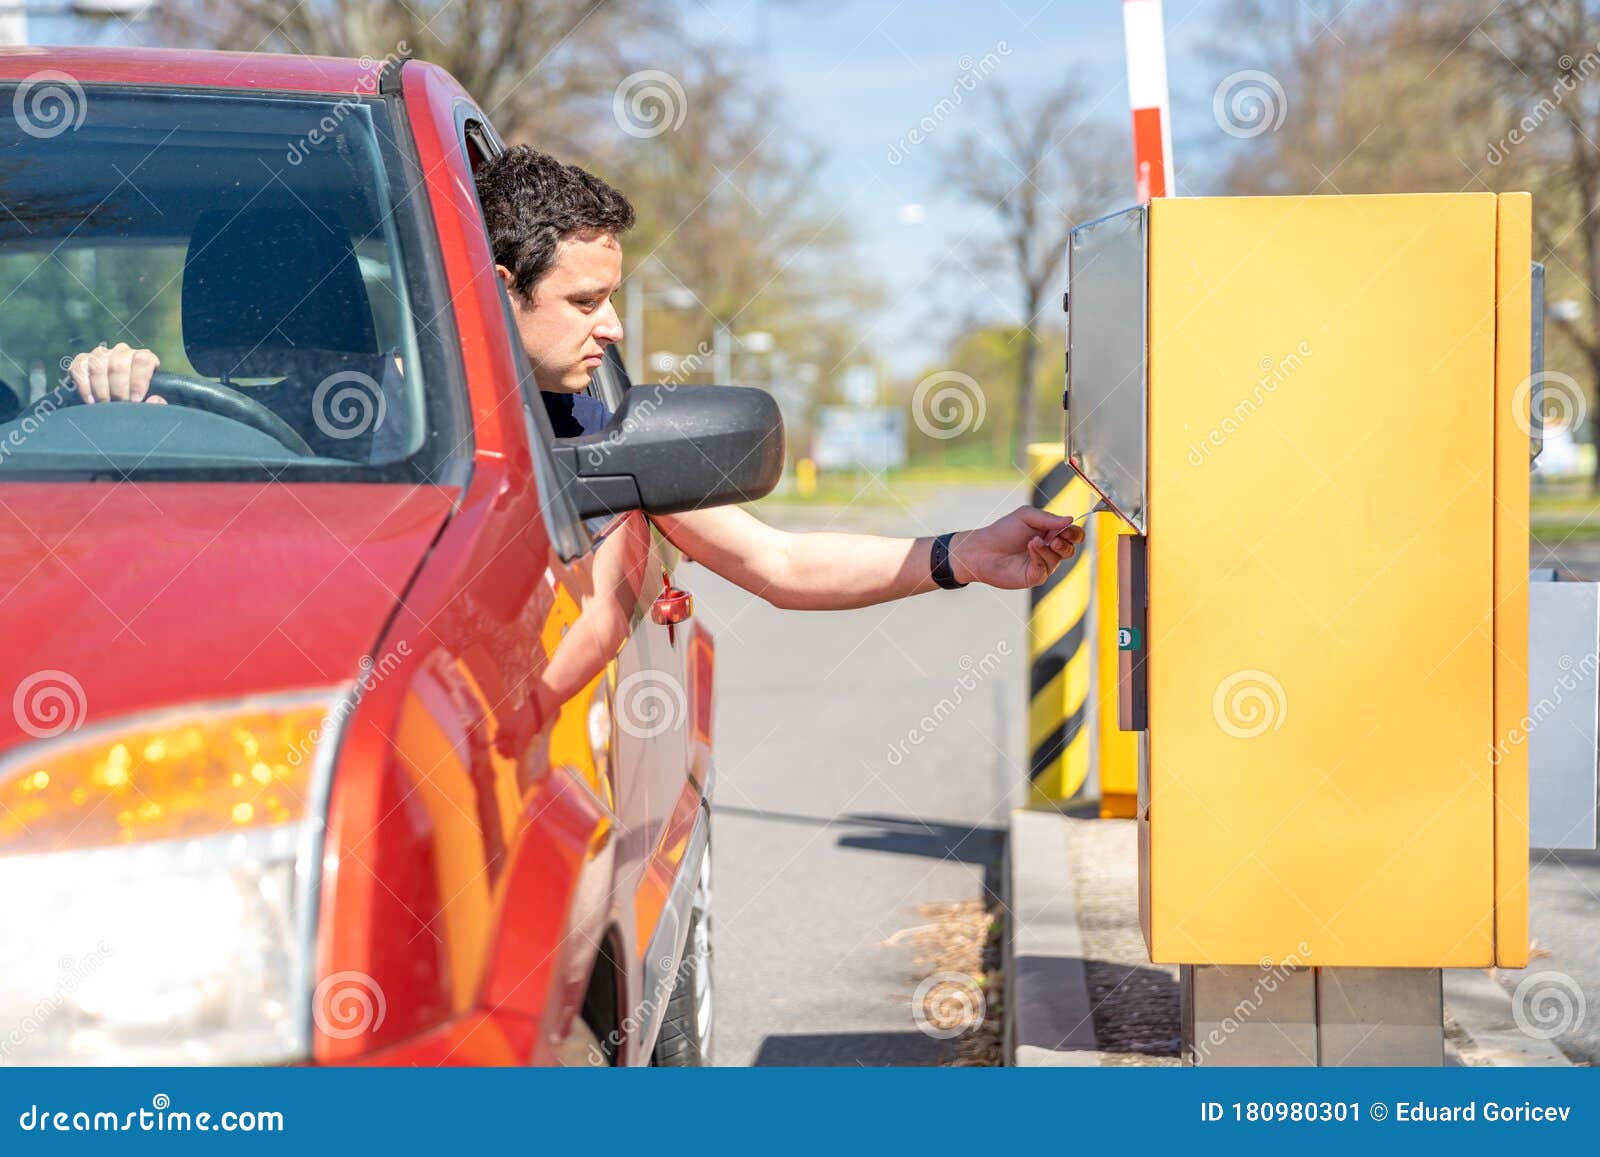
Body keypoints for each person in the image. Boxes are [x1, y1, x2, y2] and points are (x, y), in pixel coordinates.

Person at [66, 147, 1083, 608]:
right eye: (587, 301)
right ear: (498, 288)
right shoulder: (164, 410)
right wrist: (110, 415)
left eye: (613, 297)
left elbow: (779, 565)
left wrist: (965, 552)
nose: (616, 324)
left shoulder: (586, 424)